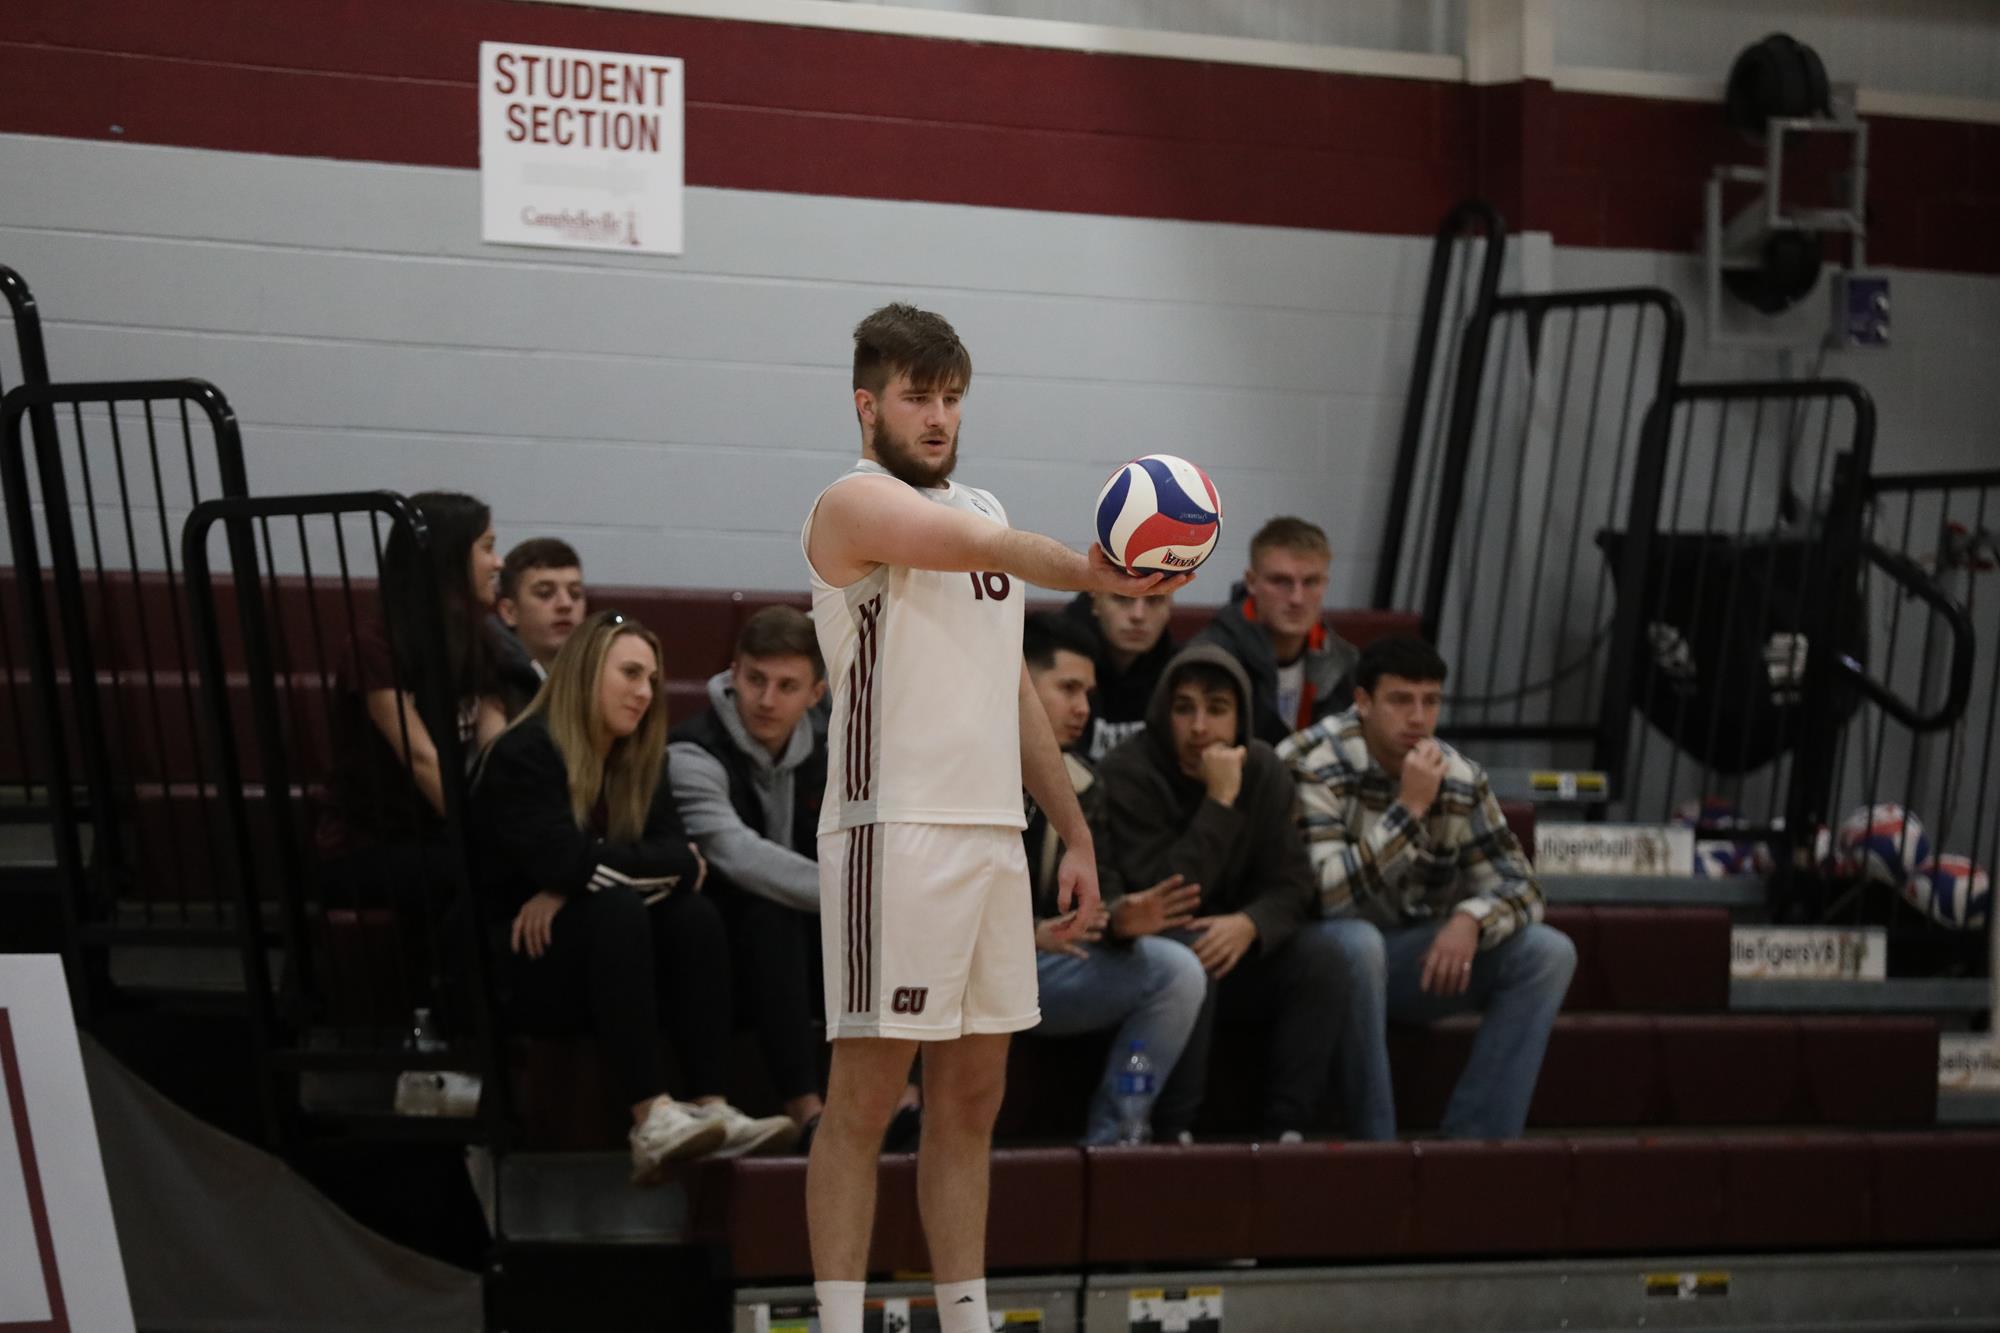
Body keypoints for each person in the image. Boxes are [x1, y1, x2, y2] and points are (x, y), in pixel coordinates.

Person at [801, 303, 1186, 1333]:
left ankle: (961, 1318)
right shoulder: (850, 503)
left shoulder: (980, 506)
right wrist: (1093, 569)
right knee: (867, 1098)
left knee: (972, 1099)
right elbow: (980, 544)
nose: (936, 417)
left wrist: (1075, 826)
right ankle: (839, 1323)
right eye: (916, 397)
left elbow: (1010, 684)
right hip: (893, 835)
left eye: (951, 397)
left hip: (990, 837)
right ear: (867, 404)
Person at [472, 610, 799, 1182]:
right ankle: (650, 1117)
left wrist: (575, 880)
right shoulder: (526, 751)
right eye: (629, 674)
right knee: (619, 909)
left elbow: (681, 860)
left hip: (590, 947)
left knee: (692, 915)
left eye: (651, 678)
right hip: (512, 958)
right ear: (585, 672)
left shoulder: (636, 759)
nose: (645, 692)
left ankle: (710, 1105)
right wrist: (576, 876)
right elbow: (569, 862)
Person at [1279, 635, 1575, 1140]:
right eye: (1400, 700)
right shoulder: (1308, 762)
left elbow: (1523, 888)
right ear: (1364, 702)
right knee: (1357, 942)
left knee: (1547, 952)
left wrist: (1470, 920)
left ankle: (1476, 1144)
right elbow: (1326, 897)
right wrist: (1410, 811)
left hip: (1408, 961)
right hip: (1317, 964)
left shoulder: (1458, 776)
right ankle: (1379, 1144)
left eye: (1430, 701)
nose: (1418, 718)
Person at [669, 606, 924, 1150]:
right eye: (755, 679)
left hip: (813, 924)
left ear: (815, 693)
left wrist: (871, 895)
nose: (766, 699)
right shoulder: (692, 750)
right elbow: (734, 853)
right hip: (721, 940)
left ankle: (902, 1097)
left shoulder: (841, 747)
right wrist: (858, 897)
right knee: (778, 915)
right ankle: (808, 1110)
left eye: (787, 685)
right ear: (733, 673)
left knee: (889, 910)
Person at [1095, 642, 1344, 1141]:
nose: (1200, 727)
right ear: (1162, 712)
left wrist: (1250, 923)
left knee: (1330, 955)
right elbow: (1163, 898)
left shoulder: (1265, 769)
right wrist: (1220, 801)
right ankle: (1174, 1129)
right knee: (1190, 958)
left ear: (1242, 718)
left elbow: (1294, 884)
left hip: (1239, 949)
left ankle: (1289, 1130)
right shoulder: (1128, 771)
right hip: (1157, 953)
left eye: (1217, 710)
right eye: (1183, 708)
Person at [313, 490, 509, 1022]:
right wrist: (492, 837)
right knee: (481, 872)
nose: (499, 562)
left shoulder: (479, 640)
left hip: (439, 835)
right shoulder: (375, 645)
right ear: (449, 557)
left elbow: (498, 747)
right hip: (367, 845)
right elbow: (422, 760)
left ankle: (465, 1019)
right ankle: (442, 1019)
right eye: (487, 547)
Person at [1020, 612, 1206, 1145]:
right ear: (1020, 683)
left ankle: (1117, 1135)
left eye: (1088, 692)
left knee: (1178, 972)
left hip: (1043, 962)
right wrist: (1023, 931)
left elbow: (1102, 889)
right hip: (963, 961)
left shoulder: (1082, 781)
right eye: (1068, 689)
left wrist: (1121, 916)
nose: (1084, 708)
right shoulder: (958, 766)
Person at [1196, 516, 1357, 745]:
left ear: (1325, 584)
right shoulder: (1211, 657)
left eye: (1311, 582)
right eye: (1281, 581)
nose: (1296, 598)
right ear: (1251, 582)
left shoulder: (1344, 662)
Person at [1059, 589, 1178, 762]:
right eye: (1122, 598)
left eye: (1154, 600)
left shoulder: (1178, 670)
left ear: (1170, 607)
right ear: (1095, 601)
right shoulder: (1054, 659)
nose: (1138, 615)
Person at [490, 537, 587, 716]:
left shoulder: (601, 679)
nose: (565, 604)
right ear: (510, 612)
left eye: (575, 594)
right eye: (545, 593)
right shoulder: (490, 685)